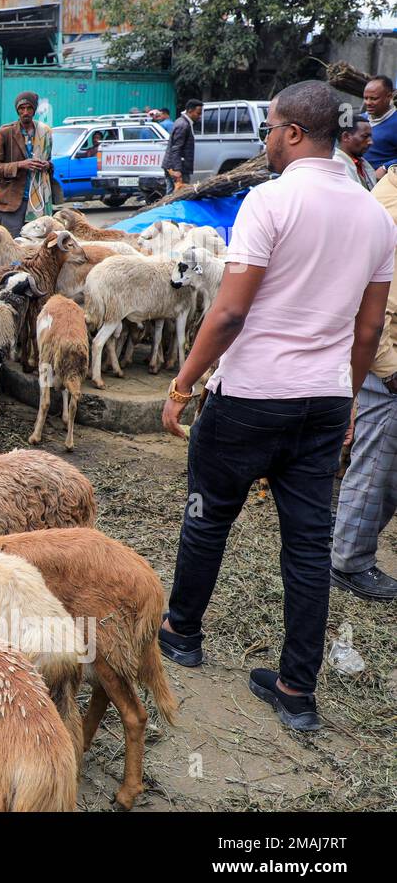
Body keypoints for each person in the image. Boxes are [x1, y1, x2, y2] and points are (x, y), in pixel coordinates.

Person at [159, 80, 395, 731]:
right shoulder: (375, 216)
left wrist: (182, 384)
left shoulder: (268, 203)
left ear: (292, 132)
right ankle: (296, 690)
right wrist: (345, 400)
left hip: (251, 397)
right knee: (309, 544)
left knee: (208, 517)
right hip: (322, 400)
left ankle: (181, 631)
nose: (264, 140)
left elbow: (231, 310)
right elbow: (369, 332)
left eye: (269, 128)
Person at [331, 169, 397, 601]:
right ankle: (348, 560)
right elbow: (376, 306)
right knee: (377, 461)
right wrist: (389, 368)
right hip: (388, 362)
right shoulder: (389, 208)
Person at [0, 90, 53, 238]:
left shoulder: (45, 133)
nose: (25, 112)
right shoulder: (6, 132)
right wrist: (20, 165)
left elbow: (49, 161)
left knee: (36, 246)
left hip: (38, 201)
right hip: (12, 201)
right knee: (12, 245)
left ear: (34, 110)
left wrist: (47, 166)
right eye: (21, 109)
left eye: (29, 108)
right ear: (17, 110)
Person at [162, 99, 202, 194]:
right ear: (190, 111)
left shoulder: (182, 122)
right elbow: (176, 149)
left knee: (171, 196)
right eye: (198, 113)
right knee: (178, 197)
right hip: (177, 168)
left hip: (173, 166)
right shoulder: (183, 125)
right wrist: (177, 170)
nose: (200, 116)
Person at [362, 76, 396, 177]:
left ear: (389, 97)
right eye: (365, 98)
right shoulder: (360, 120)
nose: (368, 103)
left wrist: (386, 167)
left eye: (373, 98)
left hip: (383, 184)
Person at [334, 116, 377, 190]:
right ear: (346, 136)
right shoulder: (336, 167)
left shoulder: (363, 164)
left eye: (370, 137)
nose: (371, 142)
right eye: (365, 136)